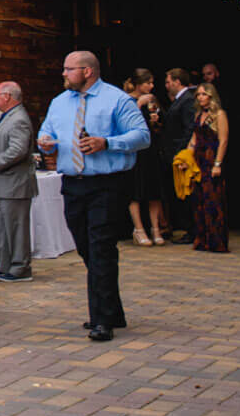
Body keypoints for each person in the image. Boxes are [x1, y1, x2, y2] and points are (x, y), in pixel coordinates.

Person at [36, 51, 150, 341]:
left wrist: (107, 142)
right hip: (72, 184)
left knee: (100, 248)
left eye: (68, 69)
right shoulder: (59, 102)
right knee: (87, 247)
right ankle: (113, 310)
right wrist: (46, 144)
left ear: (87, 71)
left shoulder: (117, 99)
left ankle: (101, 320)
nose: (63, 73)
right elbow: (47, 134)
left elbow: (142, 136)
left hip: (107, 184)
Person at [0, 82, 37, 282]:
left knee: (16, 227)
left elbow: (18, 149)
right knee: (3, 227)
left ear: (7, 96)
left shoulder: (19, 119)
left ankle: (20, 267)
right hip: (4, 185)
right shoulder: (7, 116)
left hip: (15, 183)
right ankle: (5, 263)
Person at [123, 69, 167, 244]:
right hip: (135, 151)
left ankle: (156, 229)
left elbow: (162, 126)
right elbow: (123, 124)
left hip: (151, 149)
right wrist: (138, 105)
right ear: (137, 84)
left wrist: (157, 121)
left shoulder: (152, 99)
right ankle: (139, 229)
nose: (151, 86)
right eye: (147, 83)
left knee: (154, 190)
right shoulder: (127, 100)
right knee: (135, 190)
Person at [187, 83, 230, 253]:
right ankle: (202, 238)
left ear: (211, 96)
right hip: (198, 159)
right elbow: (194, 139)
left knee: (213, 200)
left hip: (212, 158)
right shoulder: (198, 115)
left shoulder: (219, 114)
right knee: (199, 200)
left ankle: (216, 240)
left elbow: (224, 140)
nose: (200, 97)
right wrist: (185, 158)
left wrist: (217, 164)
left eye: (204, 94)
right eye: (198, 95)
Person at [159, 68, 200, 242]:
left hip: (181, 153)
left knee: (186, 191)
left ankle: (193, 230)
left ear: (177, 82)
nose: (167, 86)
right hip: (172, 151)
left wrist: (182, 153)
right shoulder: (179, 100)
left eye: (168, 82)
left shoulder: (187, 100)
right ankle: (189, 228)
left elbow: (190, 127)